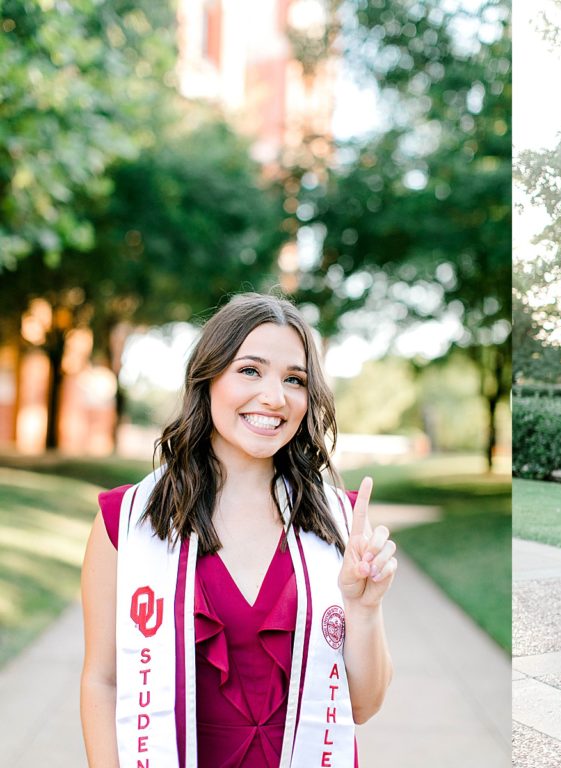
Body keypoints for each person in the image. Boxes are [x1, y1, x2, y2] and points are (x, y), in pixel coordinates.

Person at [80, 293, 396, 767]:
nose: (275, 396)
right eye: (250, 370)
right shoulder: (127, 521)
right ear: (208, 378)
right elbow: (103, 681)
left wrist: (363, 607)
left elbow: (365, 706)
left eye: (295, 379)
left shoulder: (340, 523)